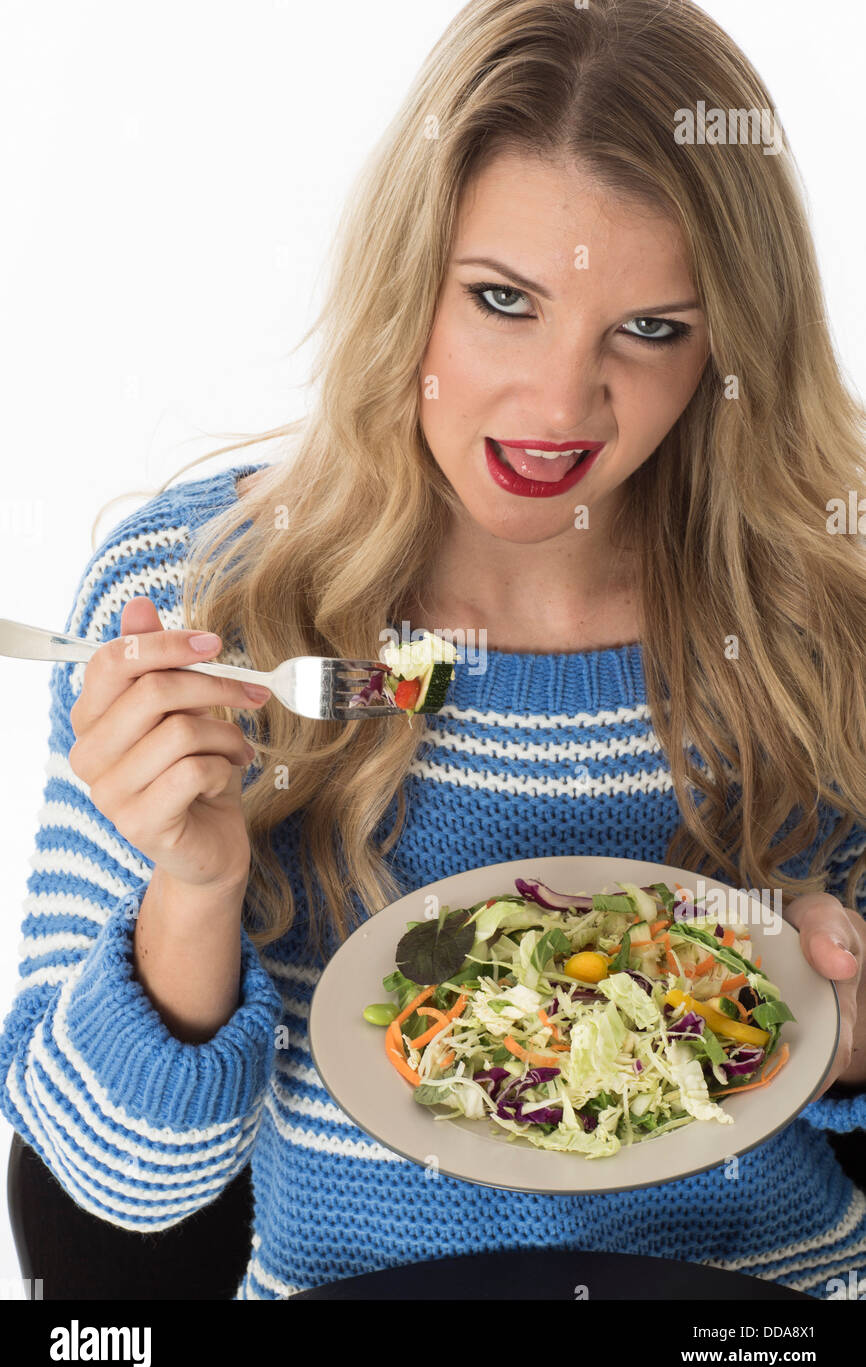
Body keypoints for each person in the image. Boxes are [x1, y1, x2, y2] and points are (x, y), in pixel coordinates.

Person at [2, 0, 865, 1301]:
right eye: (502, 300)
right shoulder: (198, 600)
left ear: (730, 342)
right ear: (407, 277)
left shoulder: (820, 610)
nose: (559, 404)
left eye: (648, 328)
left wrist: (843, 1034)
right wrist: (191, 888)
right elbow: (113, 1192)